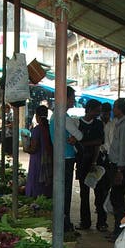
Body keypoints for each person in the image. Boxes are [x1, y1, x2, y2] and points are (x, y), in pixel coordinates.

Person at [49, 85, 83, 232]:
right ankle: (65, 223)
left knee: (60, 191)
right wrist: (75, 137)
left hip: (58, 156)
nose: (73, 101)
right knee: (66, 192)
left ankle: (61, 221)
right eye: (72, 98)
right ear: (66, 98)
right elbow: (79, 135)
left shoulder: (54, 115)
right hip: (67, 157)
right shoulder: (64, 117)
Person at [106, 97, 125, 240]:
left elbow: (124, 149)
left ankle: (120, 232)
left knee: (119, 200)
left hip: (122, 167)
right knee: (117, 199)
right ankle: (118, 230)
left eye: (115, 107)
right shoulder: (122, 123)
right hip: (121, 166)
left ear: (120, 109)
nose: (113, 110)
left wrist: (119, 170)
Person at [74, 99, 104, 230]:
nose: (98, 113)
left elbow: (99, 142)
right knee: (84, 193)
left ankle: (101, 222)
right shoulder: (78, 123)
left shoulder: (98, 124)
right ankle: (85, 222)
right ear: (89, 110)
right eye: (97, 110)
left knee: (99, 192)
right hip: (82, 162)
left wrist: (94, 161)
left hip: (95, 161)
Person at [24, 104, 53, 200]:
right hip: (49, 159)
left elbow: (34, 149)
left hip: (38, 161)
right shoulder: (50, 128)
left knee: (36, 182)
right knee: (46, 184)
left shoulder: (37, 130)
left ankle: (35, 200)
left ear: (37, 116)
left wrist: (26, 149)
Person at [93, 102, 115, 231]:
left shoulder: (113, 125)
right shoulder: (97, 124)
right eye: (103, 112)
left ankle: (102, 220)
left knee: (105, 190)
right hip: (98, 159)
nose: (105, 115)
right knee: (98, 190)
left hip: (109, 160)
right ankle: (101, 219)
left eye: (107, 112)